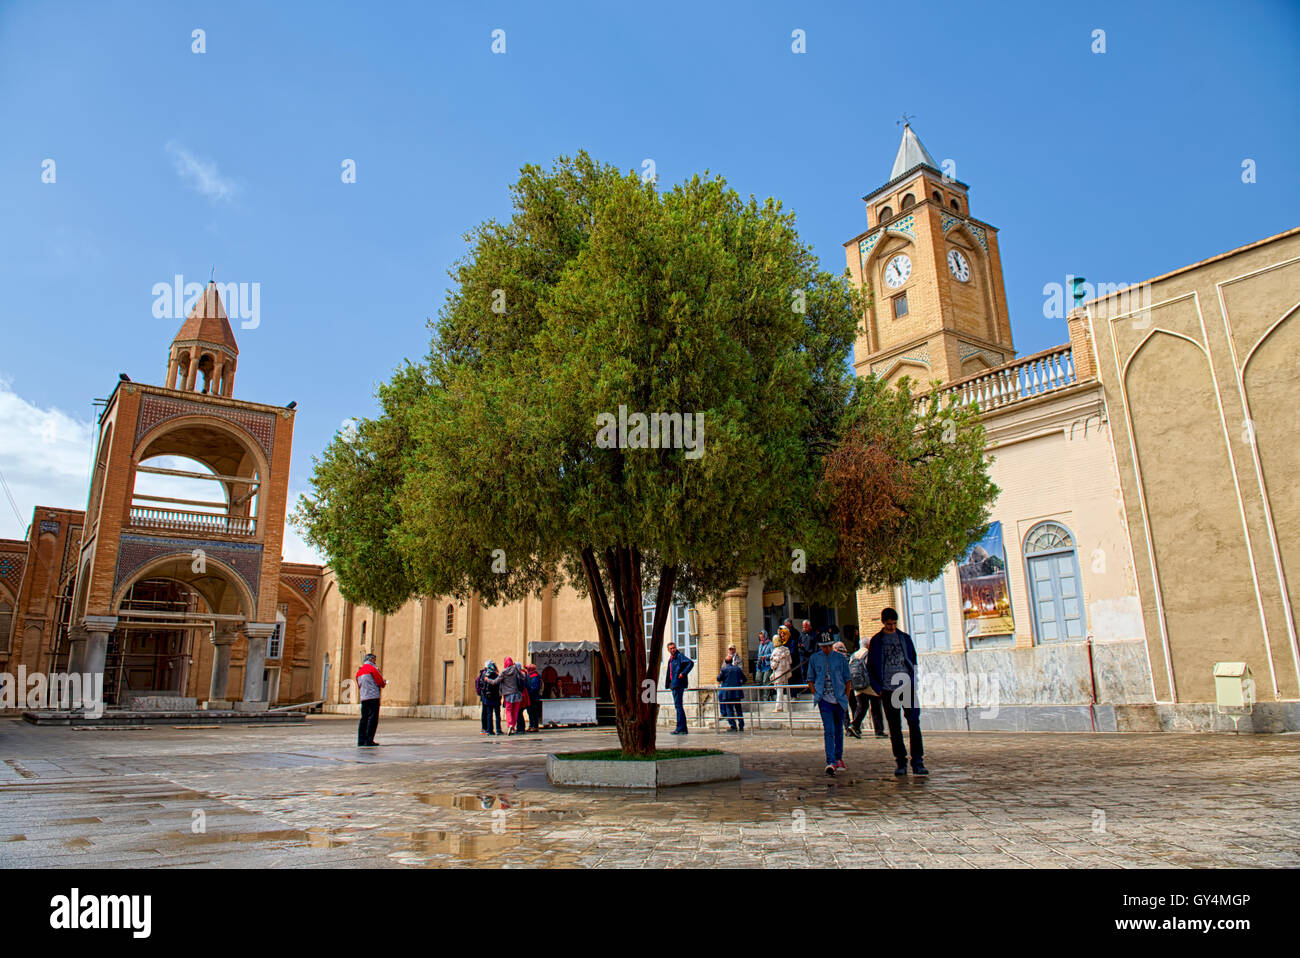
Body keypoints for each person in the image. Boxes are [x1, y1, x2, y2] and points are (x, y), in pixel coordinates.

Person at [867, 608, 928, 776]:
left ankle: (918, 761)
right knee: (894, 727)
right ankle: (900, 761)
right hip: (888, 688)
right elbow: (871, 666)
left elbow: (912, 660)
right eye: (889, 624)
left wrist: (913, 681)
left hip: (906, 686)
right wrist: (878, 688)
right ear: (883, 622)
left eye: (894, 624)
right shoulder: (877, 641)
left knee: (914, 723)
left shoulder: (905, 639)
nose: (892, 627)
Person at [806, 631, 852, 775]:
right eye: (823, 647)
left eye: (828, 646)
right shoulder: (815, 659)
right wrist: (816, 693)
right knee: (829, 730)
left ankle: (838, 758)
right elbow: (810, 678)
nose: (826, 649)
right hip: (824, 699)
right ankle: (830, 761)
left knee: (838, 730)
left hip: (839, 698)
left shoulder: (840, 659)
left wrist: (846, 696)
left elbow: (847, 679)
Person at [848, 631, 885, 739]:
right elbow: (874, 669)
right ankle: (879, 731)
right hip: (870, 685)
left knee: (861, 707)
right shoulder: (870, 654)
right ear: (869, 645)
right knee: (876, 708)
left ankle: (854, 725)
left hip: (858, 686)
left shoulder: (853, 655)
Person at [355, 653, 387, 747]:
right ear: (372, 659)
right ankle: (369, 740)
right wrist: (384, 683)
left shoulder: (359, 671)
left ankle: (361, 740)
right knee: (372, 719)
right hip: (373, 697)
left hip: (364, 697)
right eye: (374, 659)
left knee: (364, 718)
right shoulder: (373, 669)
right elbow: (380, 682)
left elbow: (359, 684)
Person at [665, 641, 694, 735]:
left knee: (678, 706)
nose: (673, 650)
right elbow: (669, 672)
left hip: (678, 684)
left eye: (674, 648)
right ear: (668, 650)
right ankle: (682, 728)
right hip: (674, 684)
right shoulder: (671, 659)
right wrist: (669, 684)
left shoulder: (679, 656)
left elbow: (690, 663)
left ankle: (680, 728)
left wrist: (683, 673)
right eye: (671, 649)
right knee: (678, 706)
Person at [497, 657, 528, 735]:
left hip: (508, 695)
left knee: (508, 711)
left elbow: (496, 681)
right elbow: (523, 678)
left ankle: (510, 724)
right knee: (515, 711)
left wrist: (488, 680)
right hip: (517, 694)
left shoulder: (504, 672)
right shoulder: (516, 670)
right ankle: (513, 726)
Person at [717, 654, 746, 731]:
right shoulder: (737, 669)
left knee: (729, 709)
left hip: (728, 693)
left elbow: (718, 678)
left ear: (725, 662)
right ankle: (741, 725)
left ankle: (733, 726)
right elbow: (744, 679)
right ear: (732, 661)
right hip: (737, 692)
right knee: (738, 709)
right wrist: (739, 683)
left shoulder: (724, 670)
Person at [476, 659, 502, 735]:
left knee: (489, 714)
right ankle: (498, 729)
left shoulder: (484, 675)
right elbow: (499, 685)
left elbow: (482, 685)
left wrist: (483, 694)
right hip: (496, 697)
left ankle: (489, 730)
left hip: (487, 697)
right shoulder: (496, 675)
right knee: (497, 714)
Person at [770, 628, 793, 711]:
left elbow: (773, 665)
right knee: (787, 689)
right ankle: (789, 706)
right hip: (786, 671)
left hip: (779, 673)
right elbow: (790, 661)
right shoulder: (786, 649)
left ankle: (779, 707)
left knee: (779, 691)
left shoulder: (775, 651)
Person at [524, 663, 543, 731]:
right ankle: (531, 725)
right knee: (530, 712)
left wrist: (529, 692)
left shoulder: (535, 676)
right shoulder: (529, 676)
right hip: (530, 697)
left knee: (534, 711)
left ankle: (535, 726)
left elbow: (534, 688)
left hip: (533, 697)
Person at [755, 630, 773, 701]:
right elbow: (759, 655)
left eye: (762, 637)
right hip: (760, 665)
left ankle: (766, 697)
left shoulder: (770, 644)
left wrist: (765, 657)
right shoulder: (760, 645)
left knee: (766, 680)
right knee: (758, 679)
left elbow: (773, 653)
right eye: (760, 638)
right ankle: (760, 696)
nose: (761, 639)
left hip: (767, 665)